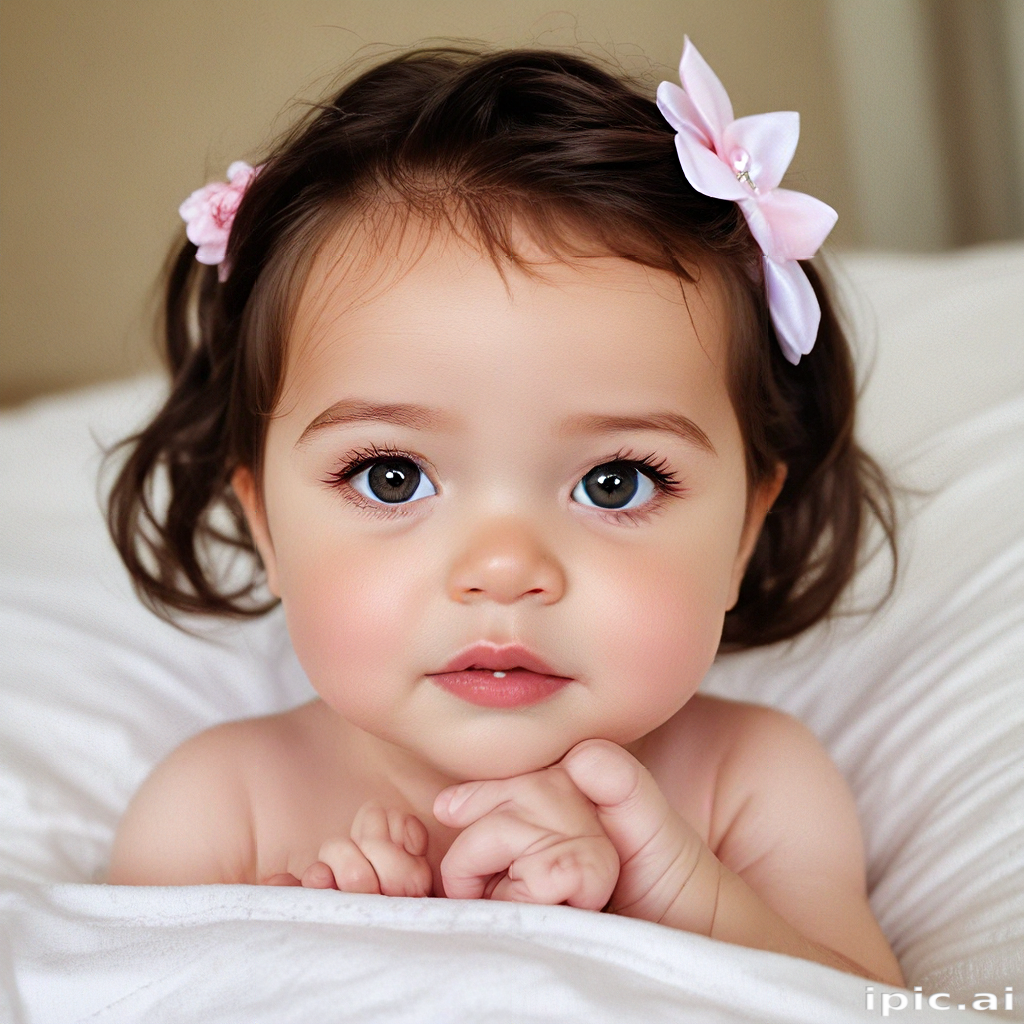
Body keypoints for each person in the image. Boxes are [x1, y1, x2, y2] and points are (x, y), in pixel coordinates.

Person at [105, 38, 903, 985]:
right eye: (391, 477)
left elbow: (878, 1006)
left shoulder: (750, 782)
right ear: (266, 528)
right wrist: (310, 956)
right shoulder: (218, 808)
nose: (503, 567)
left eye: (616, 482)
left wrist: (679, 893)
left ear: (744, 533)